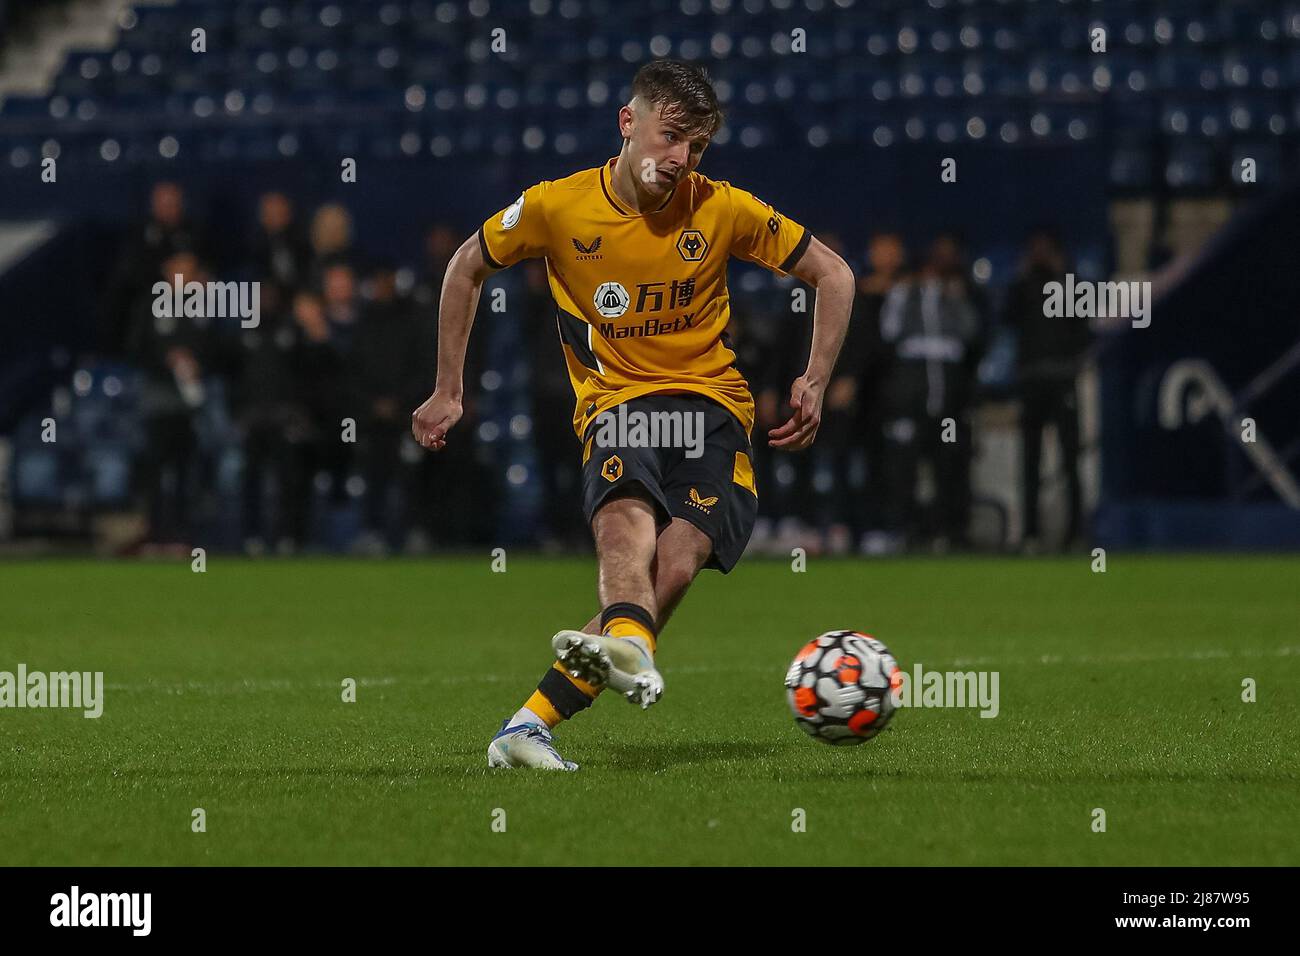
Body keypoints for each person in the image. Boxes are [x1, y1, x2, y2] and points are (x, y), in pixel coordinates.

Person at [410, 59, 855, 770]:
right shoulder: (558, 207)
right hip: (618, 404)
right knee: (624, 529)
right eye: (671, 136)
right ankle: (630, 648)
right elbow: (467, 265)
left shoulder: (721, 208)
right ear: (628, 123)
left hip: (714, 408)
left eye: (697, 146)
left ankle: (530, 723)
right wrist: (448, 389)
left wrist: (816, 377)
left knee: (675, 566)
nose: (680, 159)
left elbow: (834, 273)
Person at [1005, 228, 1089, 551]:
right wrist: (1021, 277)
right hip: (1031, 381)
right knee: (1030, 462)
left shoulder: (1071, 285)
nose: (1039, 255)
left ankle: (1076, 533)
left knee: (1071, 460)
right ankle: (1030, 534)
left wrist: (1062, 274)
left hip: (1062, 380)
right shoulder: (1022, 287)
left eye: (1044, 249)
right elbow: (1006, 317)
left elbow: (1085, 333)